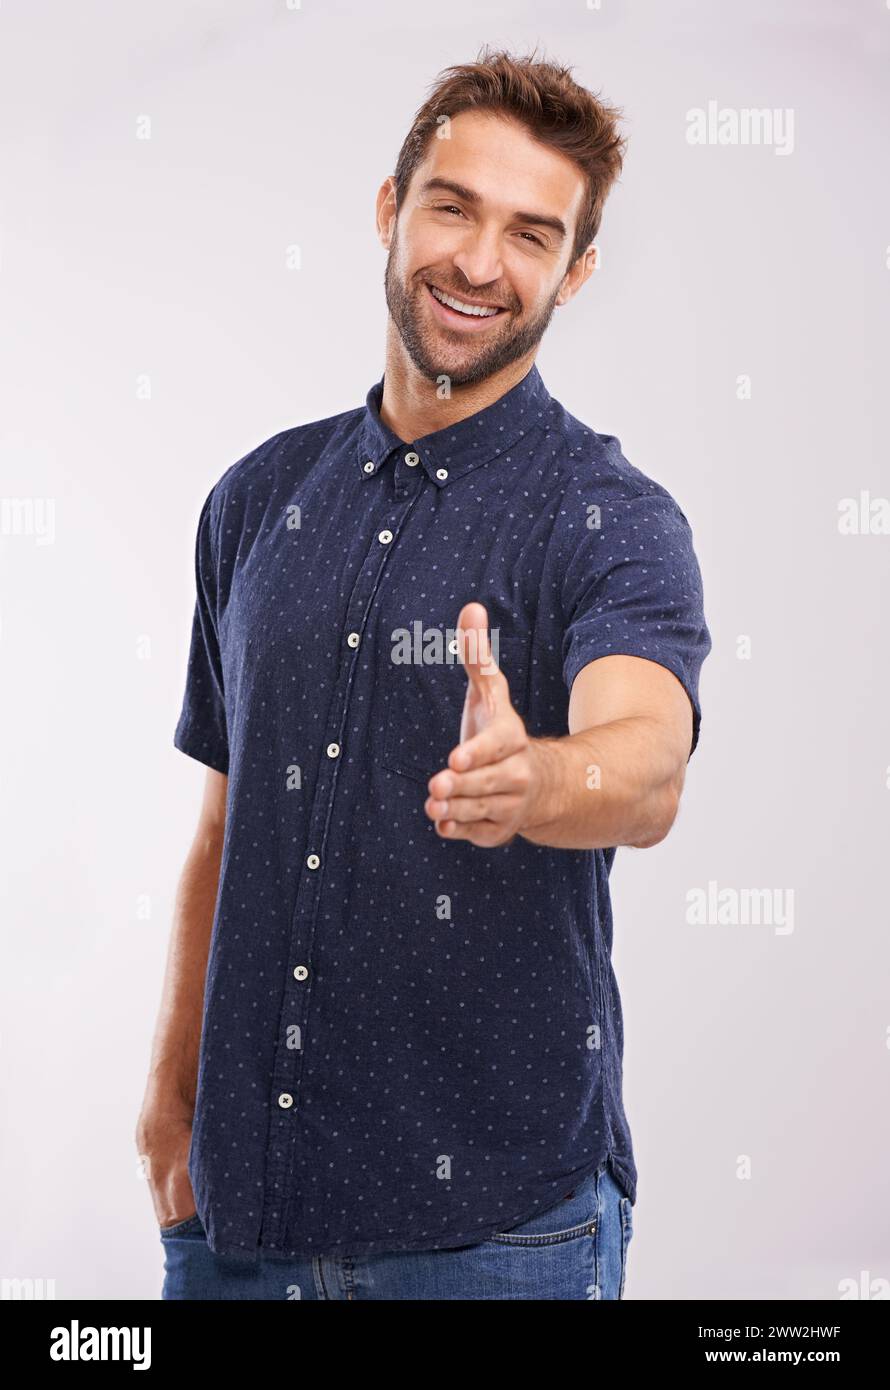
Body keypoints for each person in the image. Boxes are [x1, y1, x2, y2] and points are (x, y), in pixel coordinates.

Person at [136, 46, 711, 1301]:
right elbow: (220, 827)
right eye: (451, 206)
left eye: (530, 233)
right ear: (391, 208)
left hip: (494, 1242)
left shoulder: (608, 519)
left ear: (576, 270)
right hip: (237, 1221)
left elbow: (647, 766)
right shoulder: (255, 499)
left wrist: (537, 779)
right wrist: (167, 1109)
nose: (477, 262)